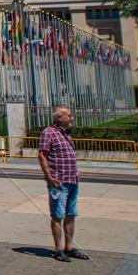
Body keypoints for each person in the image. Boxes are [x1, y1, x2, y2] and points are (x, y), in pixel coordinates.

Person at [38, 105, 87, 262]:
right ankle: (58, 250)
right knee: (58, 215)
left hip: (72, 180)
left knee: (71, 215)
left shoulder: (66, 133)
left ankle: (69, 248)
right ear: (59, 117)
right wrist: (48, 177)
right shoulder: (48, 133)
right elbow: (42, 156)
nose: (72, 118)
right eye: (69, 115)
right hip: (58, 181)